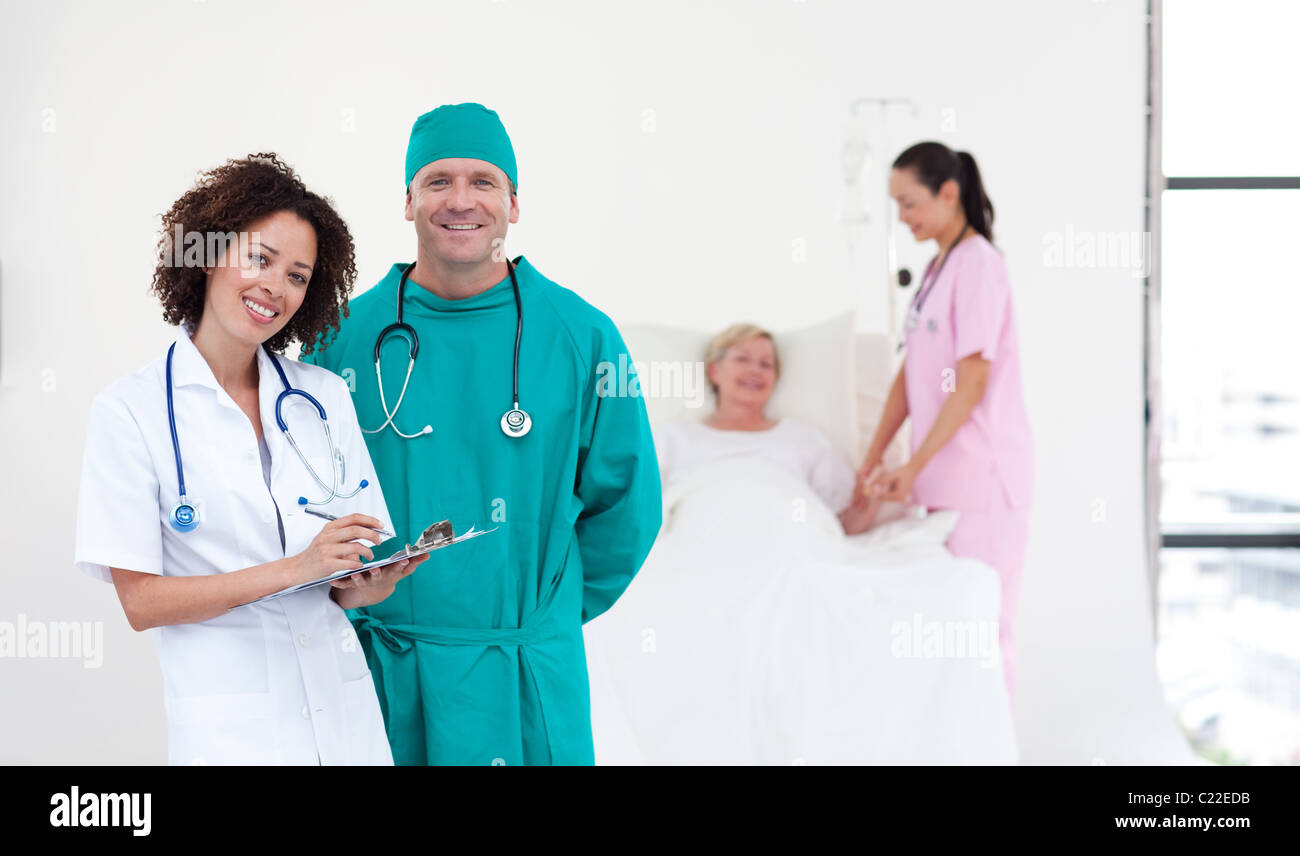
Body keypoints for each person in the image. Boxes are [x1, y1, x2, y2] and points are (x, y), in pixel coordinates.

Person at [301, 103, 662, 765]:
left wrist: (539, 615)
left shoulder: (583, 336)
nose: (459, 201)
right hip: (382, 668)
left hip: (522, 671)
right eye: (437, 180)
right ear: (407, 200)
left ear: (514, 204)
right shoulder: (338, 338)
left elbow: (629, 507)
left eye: (483, 181)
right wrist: (349, 601)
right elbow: (298, 505)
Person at [74, 153, 427, 765]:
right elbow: (142, 603)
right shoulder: (130, 411)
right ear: (208, 254)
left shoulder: (323, 396)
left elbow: (339, 586)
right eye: (259, 259)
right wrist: (297, 568)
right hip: (233, 732)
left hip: (343, 721)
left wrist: (367, 582)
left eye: (297, 275)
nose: (275, 287)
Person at [859, 141, 1034, 708]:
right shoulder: (938, 268)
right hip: (942, 480)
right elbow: (912, 374)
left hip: (982, 481)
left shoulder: (979, 263)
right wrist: (876, 454)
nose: (903, 218)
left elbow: (973, 378)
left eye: (910, 203)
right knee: (952, 625)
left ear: (949, 193)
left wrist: (912, 463)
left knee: (985, 629)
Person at [655, 323, 883, 535]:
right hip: (699, 539)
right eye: (742, 359)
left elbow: (841, 526)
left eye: (766, 364)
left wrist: (874, 495)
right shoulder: (673, 437)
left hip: (789, 542)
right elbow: (639, 513)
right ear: (715, 371)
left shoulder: (804, 439)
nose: (755, 370)